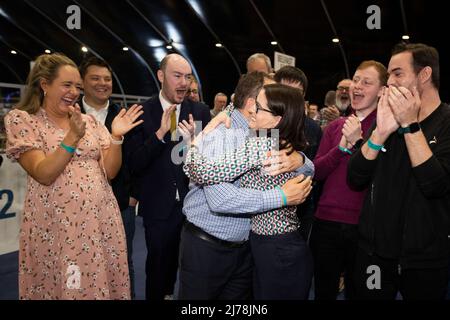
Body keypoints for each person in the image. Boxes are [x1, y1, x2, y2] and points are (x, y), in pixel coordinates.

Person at [4, 53, 143, 299]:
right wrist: (71, 138)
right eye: (66, 85)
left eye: (77, 87)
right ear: (44, 84)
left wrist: (116, 138)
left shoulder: (88, 121)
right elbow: (43, 173)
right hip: (58, 227)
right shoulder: (23, 120)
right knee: (71, 285)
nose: (74, 92)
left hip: (101, 222)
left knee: (99, 282)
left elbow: (110, 171)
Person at [177, 72, 314, 300]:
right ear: (251, 103)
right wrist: (280, 196)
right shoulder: (226, 135)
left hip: (263, 250)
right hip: (210, 249)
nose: (256, 109)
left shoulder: (264, 140)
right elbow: (219, 199)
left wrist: (301, 160)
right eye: (261, 101)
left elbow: (309, 170)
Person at [348, 43, 450, 300]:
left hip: (425, 261)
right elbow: (355, 178)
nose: (389, 82)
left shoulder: (447, 121)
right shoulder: (386, 120)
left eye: (397, 73)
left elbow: (435, 185)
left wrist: (409, 124)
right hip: (374, 254)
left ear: (424, 75)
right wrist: (380, 133)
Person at [126, 53, 211, 300]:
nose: (184, 83)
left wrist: (196, 144)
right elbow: (135, 163)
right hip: (158, 208)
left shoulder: (201, 111)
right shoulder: (141, 112)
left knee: (192, 270)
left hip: (195, 207)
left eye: (187, 77)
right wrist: (160, 134)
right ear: (161, 76)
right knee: (158, 269)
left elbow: (210, 158)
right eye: (177, 76)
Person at [310, 60, 387, 300]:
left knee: (359, 291)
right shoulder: (335, 127)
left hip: (363, 227)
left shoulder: (385, 129)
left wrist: (358, 143)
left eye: (366, 82)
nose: (357, 86)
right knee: (324, 290)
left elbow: (382, 176)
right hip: (326, 222)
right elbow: (316, 171)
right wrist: (341, 149)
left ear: (382, 91)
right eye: (355, 80)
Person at [79, 56, 138, 299]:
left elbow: (135, 160)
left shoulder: (123, 114)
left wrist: (134, 195)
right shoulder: (69, 113)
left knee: (122, 262)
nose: (102, 83)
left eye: (107, 79)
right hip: (79, 207)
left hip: (121, 205)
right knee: (81, 261)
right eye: (95, 78)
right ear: (82, 82)